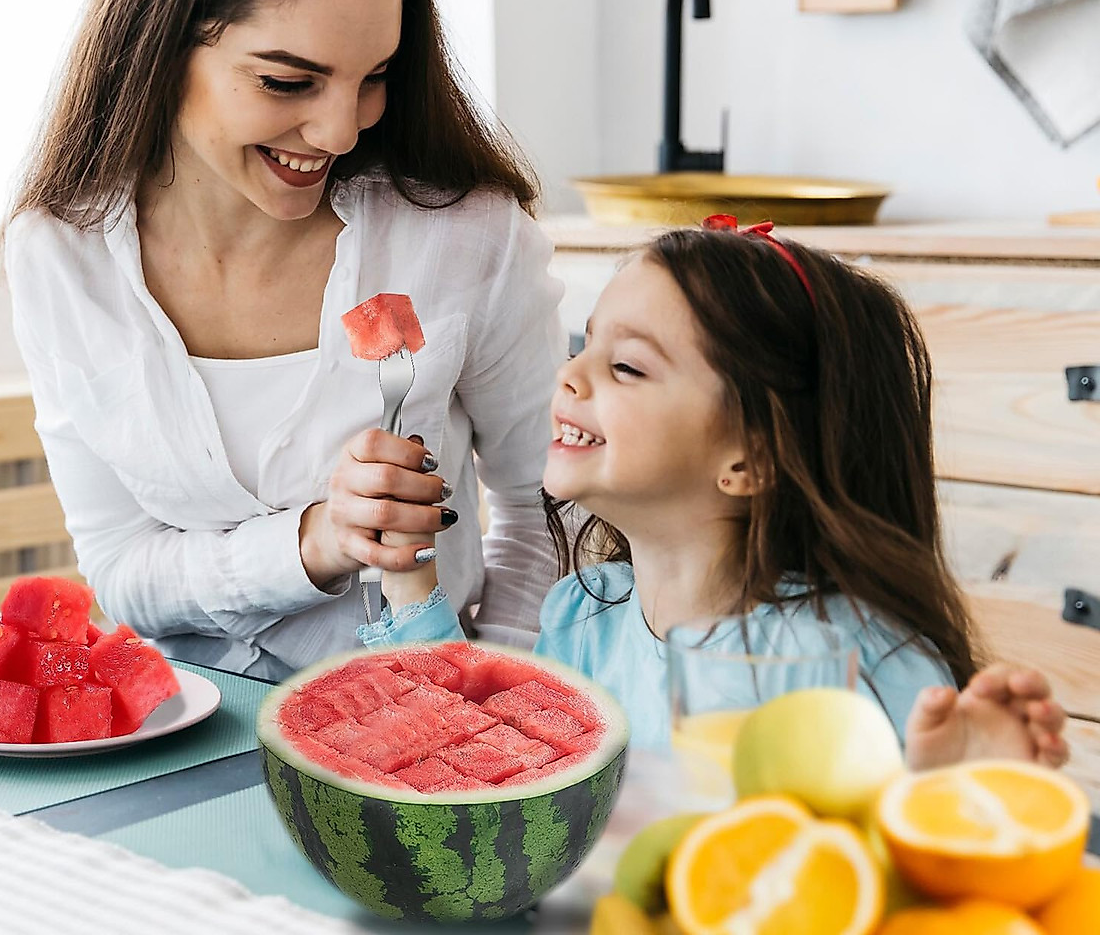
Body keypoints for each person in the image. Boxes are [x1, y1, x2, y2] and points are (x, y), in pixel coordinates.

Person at [3, 0, 564, 681]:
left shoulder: (465, 239)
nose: (340, 130)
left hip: (421, 735)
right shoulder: (60, 256)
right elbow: (120, 568)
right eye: (287, 81)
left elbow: (547, 513)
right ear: (162, 45)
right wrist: (314, 543)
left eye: (375, 76)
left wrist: (491, 708)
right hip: (180, 734)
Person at [363, 218, 1069, 768]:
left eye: (627, 366)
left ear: (751, 458)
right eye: (583, 344)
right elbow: (509, 783)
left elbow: (933, 853)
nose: (568, 375)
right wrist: (410, 578)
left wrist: (960, 780)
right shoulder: (584, 617)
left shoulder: (854, 658)